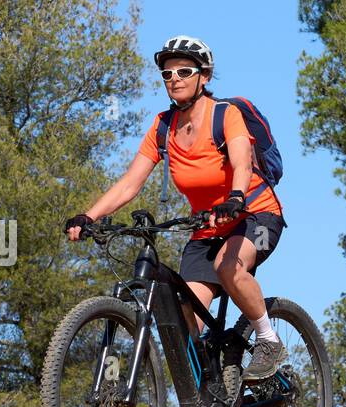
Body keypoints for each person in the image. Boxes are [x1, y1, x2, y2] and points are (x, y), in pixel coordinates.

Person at [64, 34, 288, 381]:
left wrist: (236, 197)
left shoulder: (225, 115)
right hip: (208, 226)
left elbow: (242, 162)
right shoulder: (163, 126)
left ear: (205, 77)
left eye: (184, 71)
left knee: (229, 267)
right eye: (167, 75)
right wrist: (89, 215)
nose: (175, 80)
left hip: (256, 215)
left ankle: (268, 340)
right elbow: (130, 183)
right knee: (186, 320)